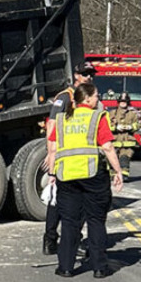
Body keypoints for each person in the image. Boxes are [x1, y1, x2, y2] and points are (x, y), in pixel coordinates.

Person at [47, 82, 125, 278]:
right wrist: (118, 171)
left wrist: (52, 173)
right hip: (92, 175)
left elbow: (54, 148)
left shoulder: (63, 119)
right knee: (96, 220)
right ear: (88, 99)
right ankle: (99, 267)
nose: (98, 99)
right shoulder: (97, 117)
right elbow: (107, 147)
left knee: (70, 222)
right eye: (96, 96)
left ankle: (65, 266)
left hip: (66, 176)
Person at [42, 60, 98, 254]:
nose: (89, 77)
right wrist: (51, 156)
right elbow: (52, 126)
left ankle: (74, 238)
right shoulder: (65, 98)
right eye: (85, 74)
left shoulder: (90, 99)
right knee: (57, 200)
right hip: (63, 157)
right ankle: (50, 238)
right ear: (76, 76)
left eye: (91, 74)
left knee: (79, 202)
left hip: (81, 159)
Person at [110, 93, 141, 178]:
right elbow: (107, 126)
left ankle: (124, 175)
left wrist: (130, 127)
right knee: (113, 160)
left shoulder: (132, 114)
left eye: (125, 101)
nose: (123, 103)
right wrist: (116, 127)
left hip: (128, 142)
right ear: (118, 102)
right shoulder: (112, 113)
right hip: (115, 142)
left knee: (124, 158)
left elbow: (137, 125)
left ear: (128, 103)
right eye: (121, 101)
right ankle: (113, 175)